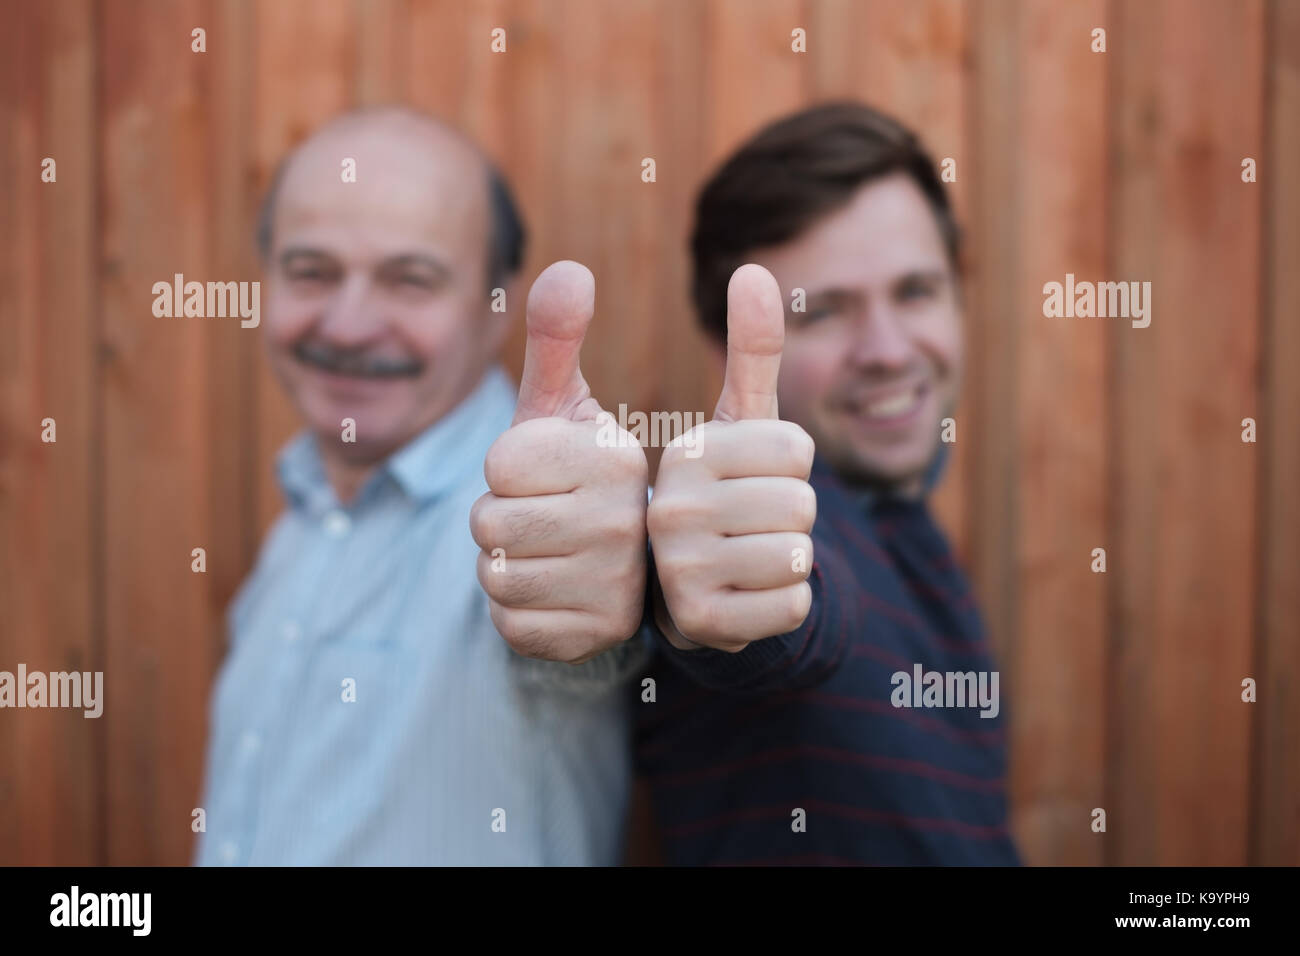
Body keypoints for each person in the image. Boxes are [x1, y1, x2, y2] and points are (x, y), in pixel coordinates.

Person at [483, 101, 1021, 866]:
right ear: (723, 342)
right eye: (825, 311)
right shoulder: (806, 532)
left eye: (914, 292)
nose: (888, 350)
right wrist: (704, 593)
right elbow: (780, 596)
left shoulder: (913, 538)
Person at [194, 106, 643, 866]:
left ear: (495, 304)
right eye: (312, 272)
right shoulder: (304, 512)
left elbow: (582, 600)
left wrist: (616, 572)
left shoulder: (526, 517)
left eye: (411, 280)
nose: (348, 323)